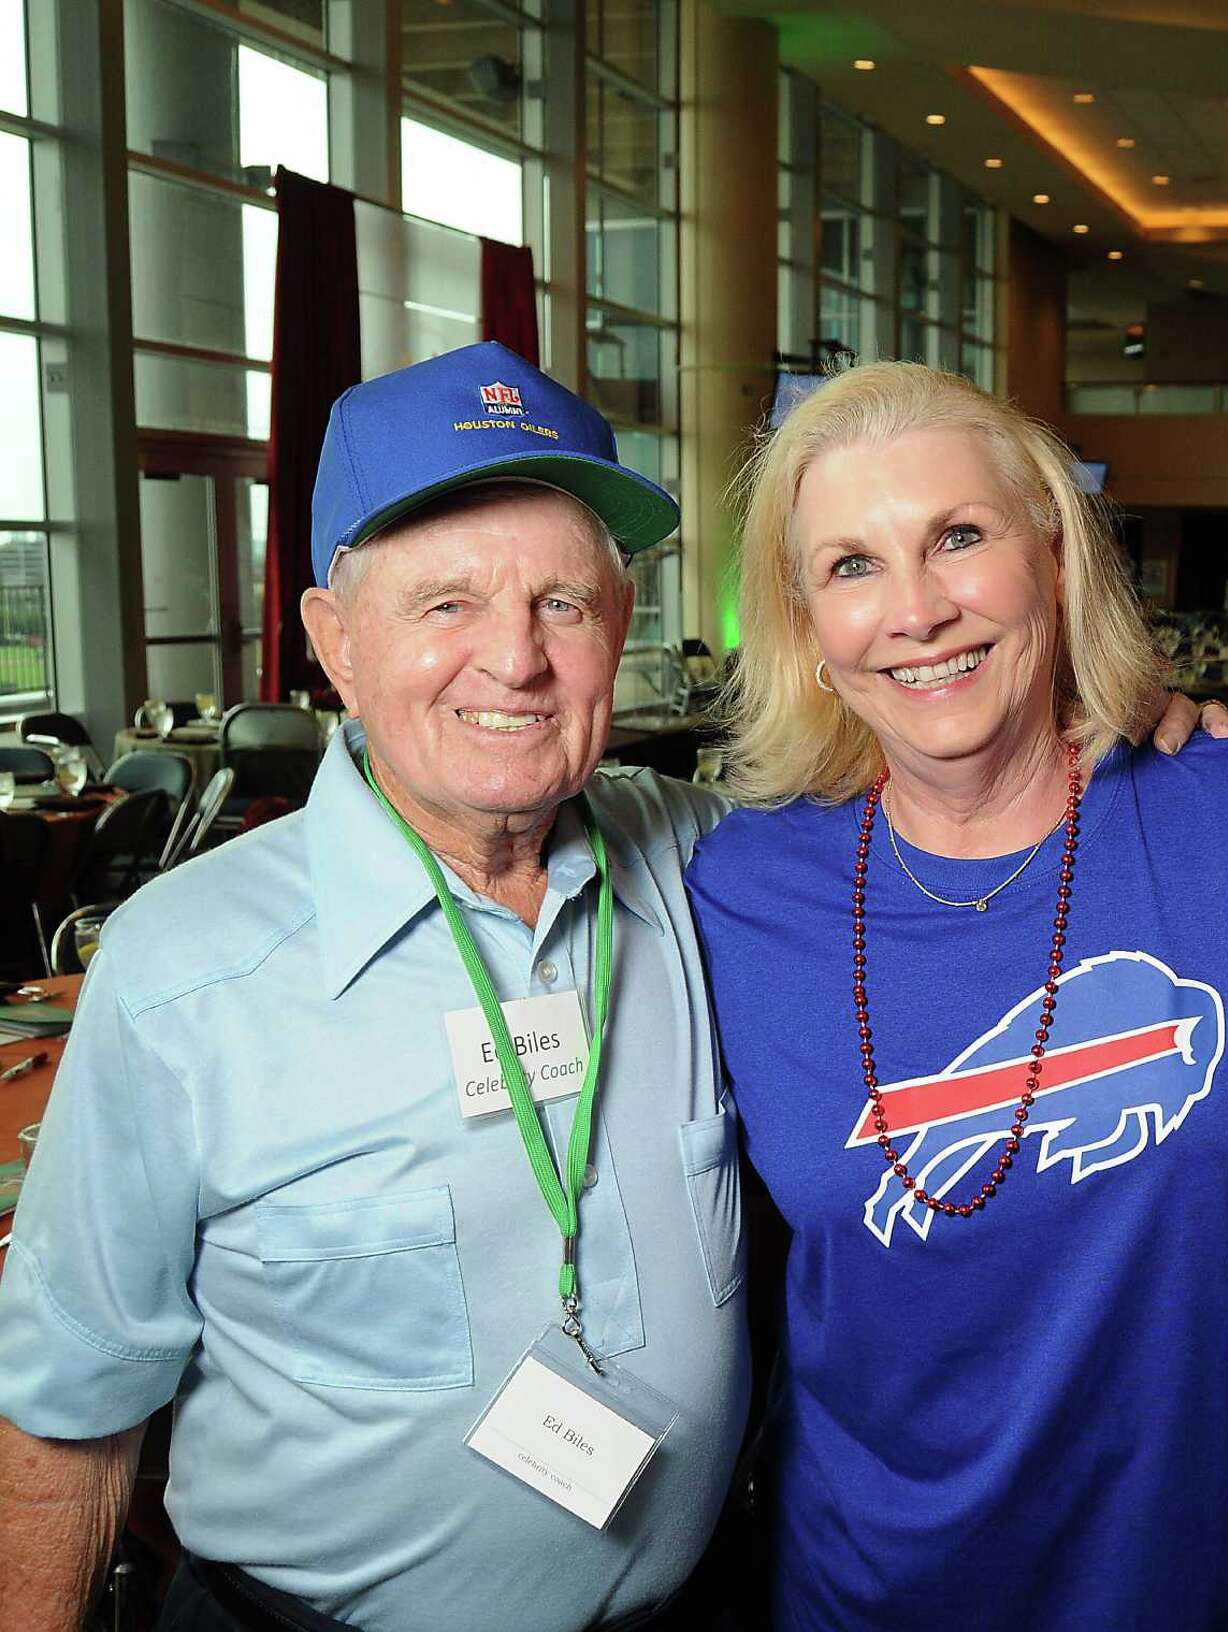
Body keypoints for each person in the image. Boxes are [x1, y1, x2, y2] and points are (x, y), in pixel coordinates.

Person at [0, 342, 749, 1632]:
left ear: (616, 629)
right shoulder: (185, 969)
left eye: (562, 604)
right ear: (334, 643)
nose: (514, 661)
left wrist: (1121, 737)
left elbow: (948, 815)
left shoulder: (708, 865)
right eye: (446, 604)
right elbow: (70, 1419)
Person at [684, 361, 1228, 1631]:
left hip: (1203, 1594)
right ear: (802, 621)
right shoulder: (732, 893)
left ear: (1057, 561)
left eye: (957, 539)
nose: (914, 610)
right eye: (851, 566)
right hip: (862, 1594)